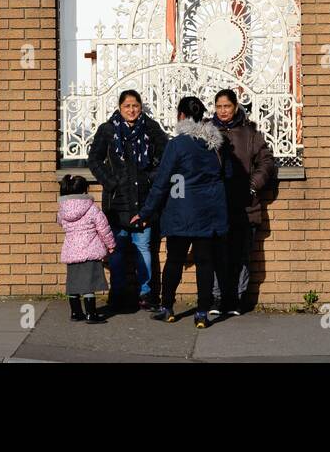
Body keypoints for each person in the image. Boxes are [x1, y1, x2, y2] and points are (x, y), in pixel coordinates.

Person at [135, 95, 228, 328]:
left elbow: (162, 182)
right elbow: (224, 177)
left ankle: (167, 308)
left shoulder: (177, 144)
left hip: (181, 213)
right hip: (208, 213)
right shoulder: (214, 146)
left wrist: (145, 212)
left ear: (181, 116)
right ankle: (202, 314)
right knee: (205, 262)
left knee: (174, 260)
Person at [87, 89, 168, 310]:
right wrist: (110, 182)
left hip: (143, 201)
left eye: (135, 106)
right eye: (127, 106)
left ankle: (146, 294)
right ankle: (118, 293)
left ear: (140, 107)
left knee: (144, 249)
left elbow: (166, 156)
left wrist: (151, 177)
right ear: (120, 107)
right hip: (117, 202)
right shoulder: (108, 130)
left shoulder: (151, 129)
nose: (131, 110)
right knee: (117, 249)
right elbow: (94, 159)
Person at [210, 89, 275, 316]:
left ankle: (237, 298)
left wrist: (253, 184)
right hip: (216, 205)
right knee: (217, 253)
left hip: (246, 205)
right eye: (219, 106)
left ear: (236, 107)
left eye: (227, 106)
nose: (223, 111)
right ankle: (218, 298)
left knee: (242, 254)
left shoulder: (250, 133)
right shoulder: (207, 131)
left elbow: (266, 162)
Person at [56, 175, 115, 324]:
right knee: (89, 285)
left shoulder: (62, 210)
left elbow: (61, 224)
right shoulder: (92, 209)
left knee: (73, 284)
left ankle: (75, 312)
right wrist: (111, 245)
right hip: (90, 250)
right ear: (84, 191)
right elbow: (104, 229)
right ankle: (91, 314)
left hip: (72, 252)